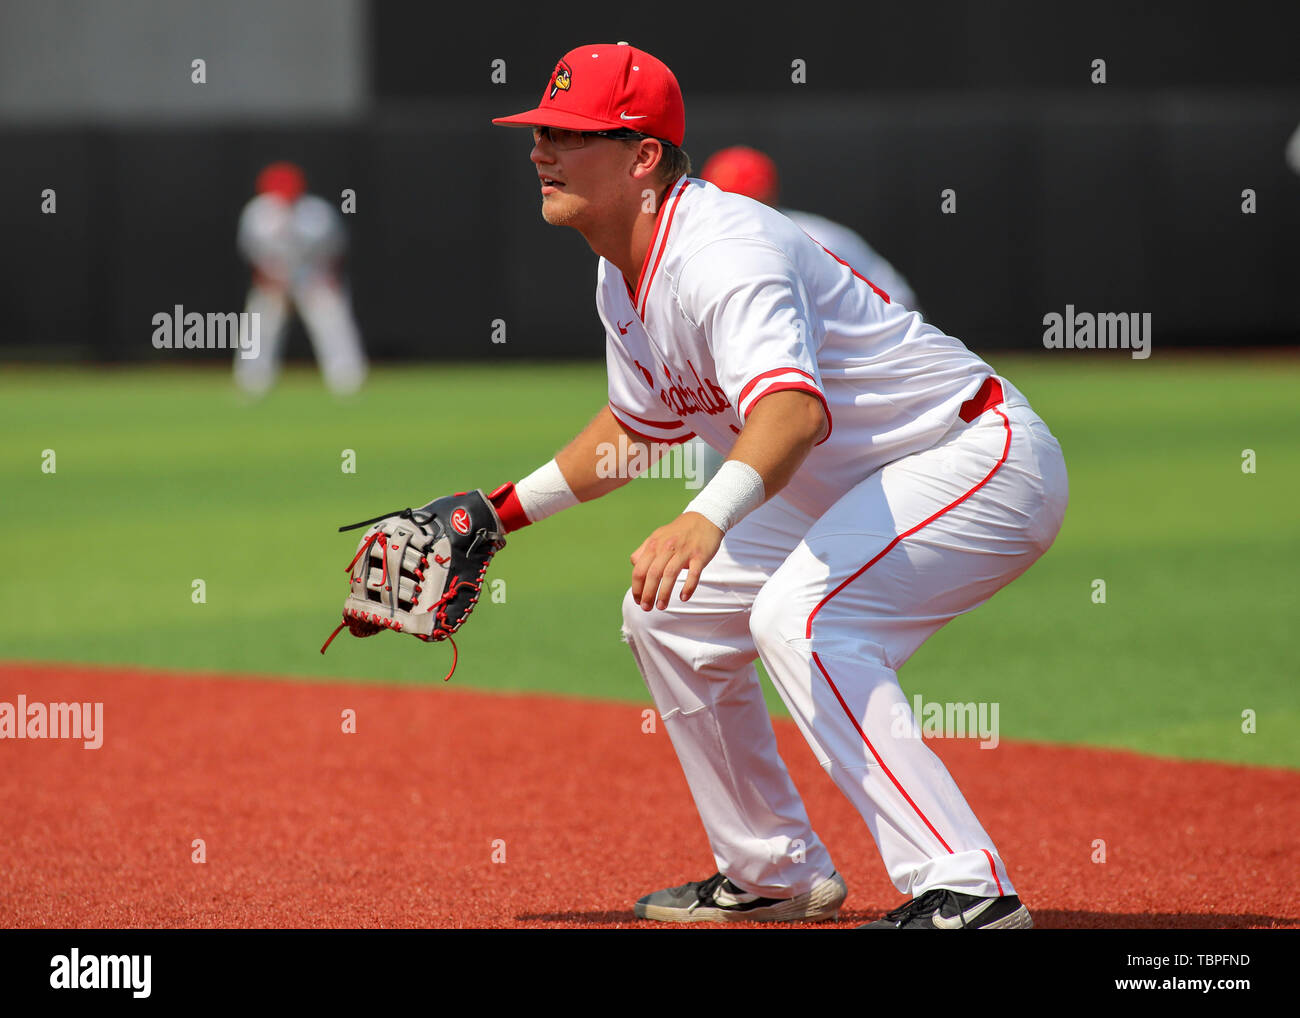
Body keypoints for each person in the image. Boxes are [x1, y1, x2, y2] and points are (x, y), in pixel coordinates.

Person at [485, 42, 1068, 928]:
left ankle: (967, 892)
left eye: (567, 134)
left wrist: (705, 516)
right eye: (540, 132)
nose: (540, 150)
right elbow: (639, 431)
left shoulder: (722, 249)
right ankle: (773, 874)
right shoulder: (621, 269)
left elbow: (792, 412)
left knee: (805, 618)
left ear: (643, 156)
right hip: (849, 482)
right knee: (669, 614)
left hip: (974, 456)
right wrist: (495, 518)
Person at [700, 144, 918, 310]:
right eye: (726, 199)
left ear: (769, 196)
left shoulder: (820, 239)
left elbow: (897, 299)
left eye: (745, 199)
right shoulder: (701, 245)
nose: (736, 208)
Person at [233, 161, 367, 396]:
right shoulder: (256, 215)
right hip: (274, 278)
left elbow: (335, 251)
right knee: (259, 327)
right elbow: (252, 254)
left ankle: (347, 379)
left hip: (313, 277)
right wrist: (272, 281)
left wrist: (325, 279)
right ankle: (252, 381)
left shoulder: (317, 215)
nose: (284, 199)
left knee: (331, 322)